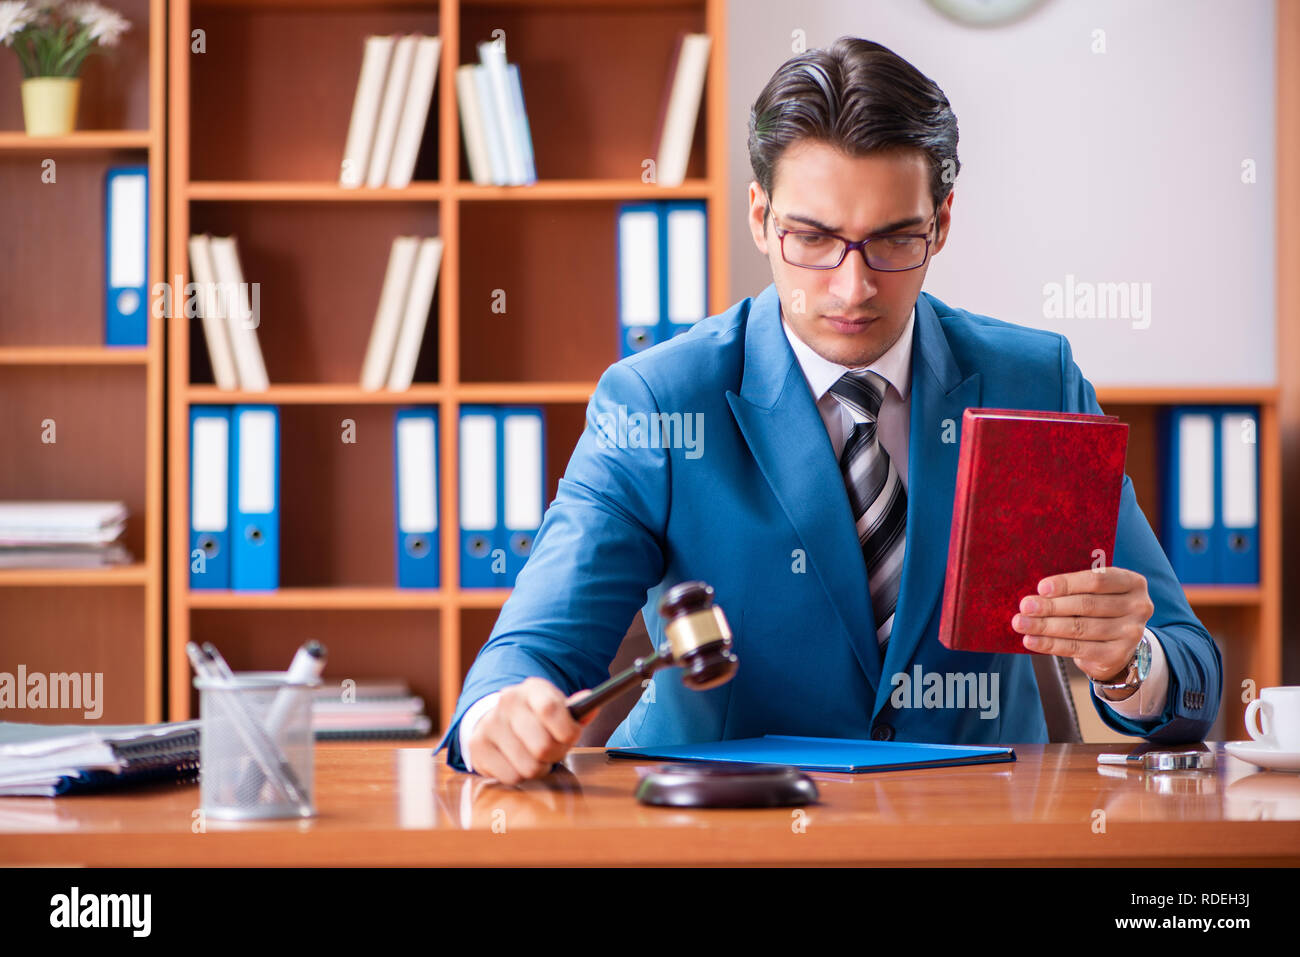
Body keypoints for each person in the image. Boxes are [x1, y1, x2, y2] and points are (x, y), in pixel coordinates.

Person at [435, 36, 1222, 784]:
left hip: (971, 831)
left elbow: (1193, 675)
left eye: (893, 240)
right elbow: (531, 651)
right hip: (721, 835)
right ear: (759, 219)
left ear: (942, 223)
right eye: (812, 239)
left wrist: (1131, 662)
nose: (852, 288)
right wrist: (498, 719)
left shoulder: (1034, 383)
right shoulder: (658, 403)